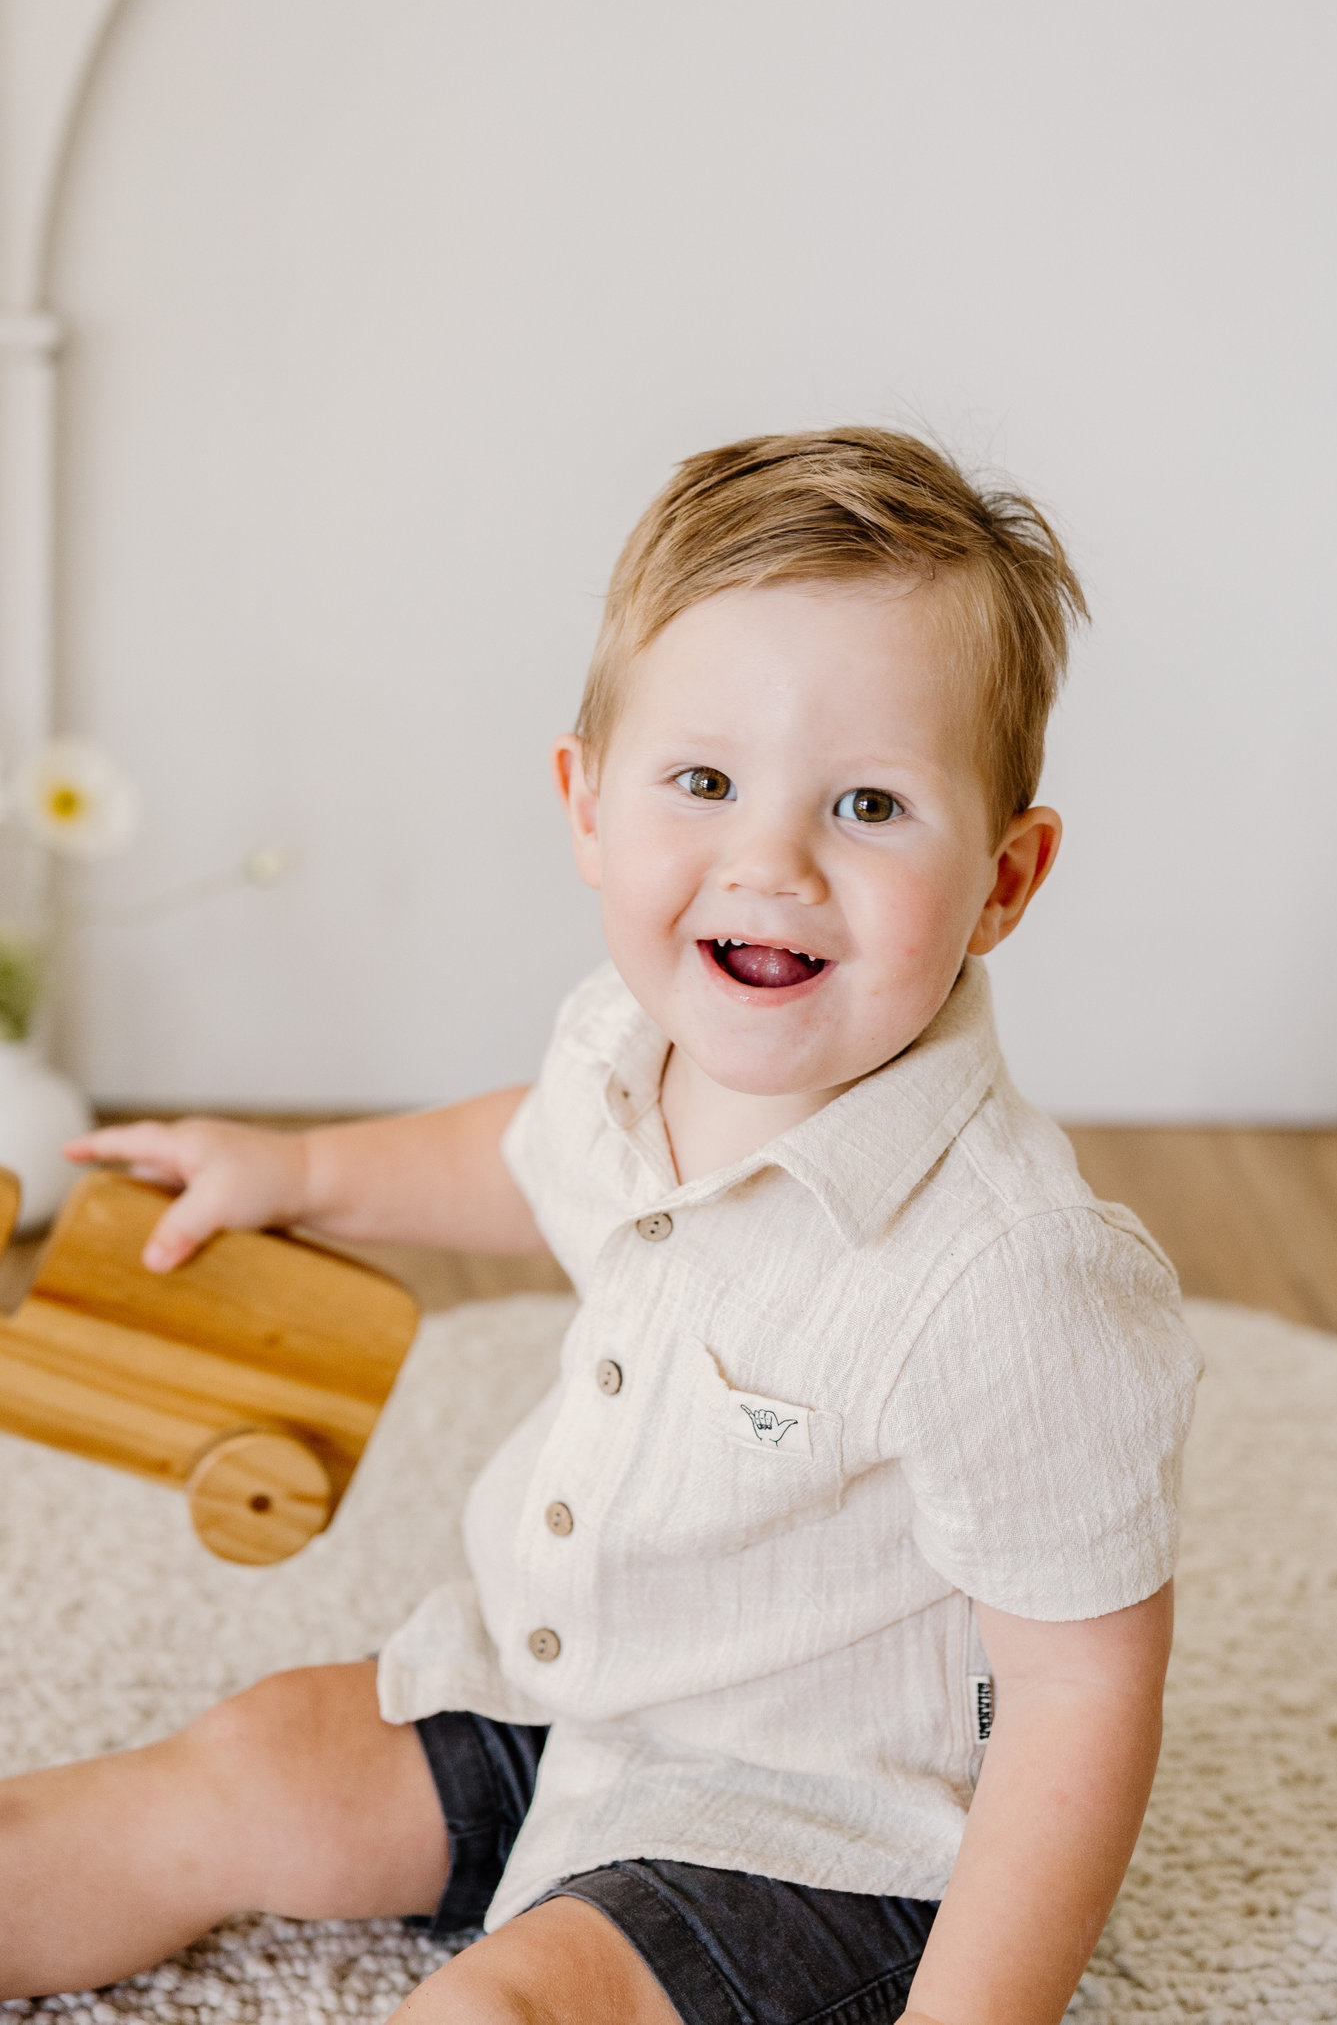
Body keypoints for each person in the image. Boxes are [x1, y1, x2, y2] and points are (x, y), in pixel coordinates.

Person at [2, 429, 1202, 2025]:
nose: (769, 861)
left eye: (868, 803)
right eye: (703, 781)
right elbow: (523, 1157)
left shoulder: (1017, 1275)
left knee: (513, 2003)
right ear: (586, 802)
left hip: (810, 1828)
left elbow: (1080, 1699)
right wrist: (297, 1175)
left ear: (1004, 876)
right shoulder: (630, 1050)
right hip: (555, 1687)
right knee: (242, 1764)